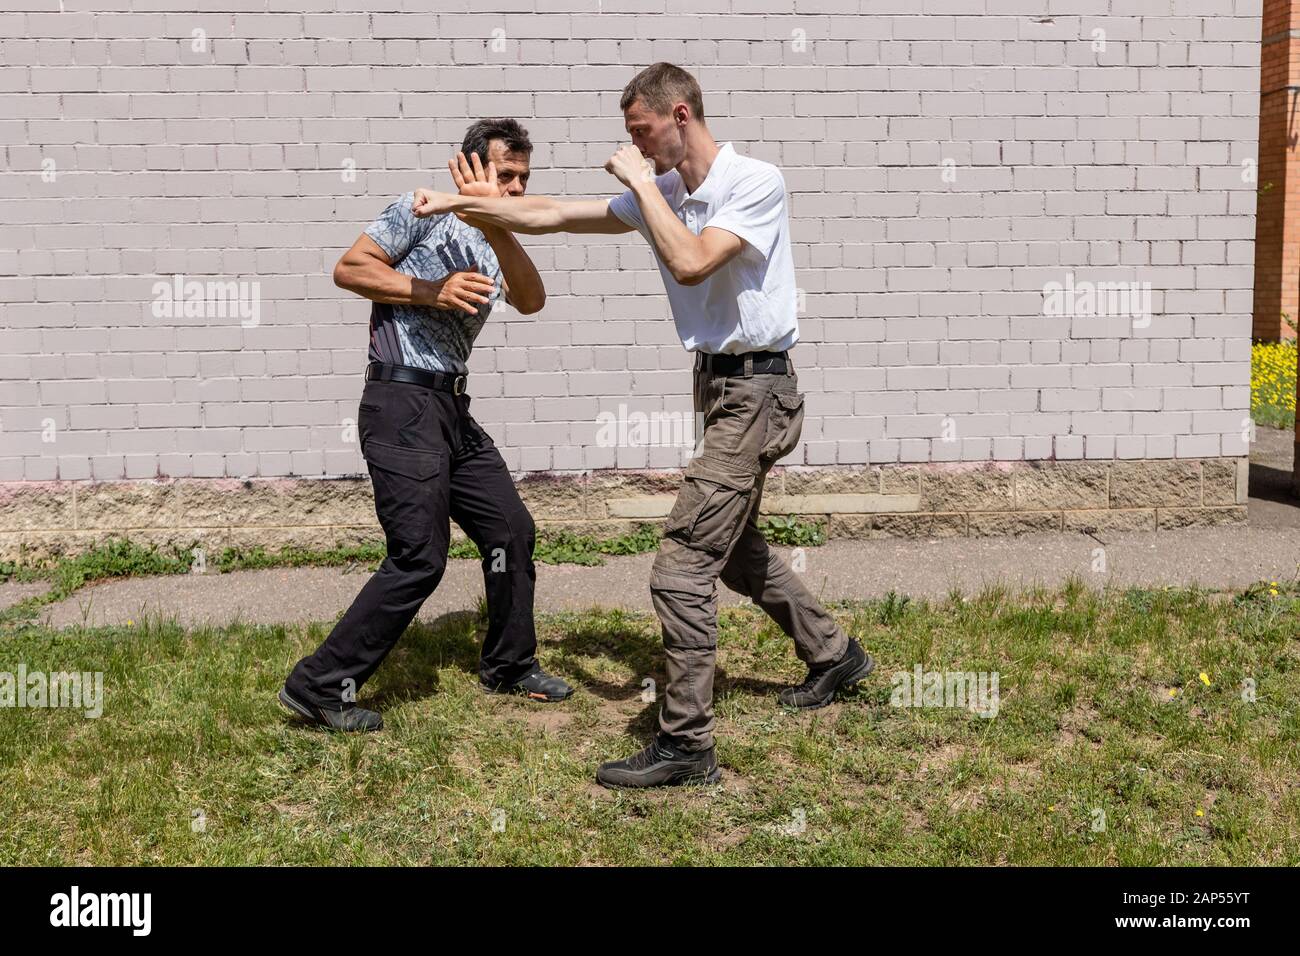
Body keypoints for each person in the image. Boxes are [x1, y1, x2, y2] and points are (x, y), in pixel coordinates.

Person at [411, 65, 874, 786]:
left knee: (684, 564)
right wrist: (467, 204)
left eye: (640, 131)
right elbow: (557, 214)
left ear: (679, 114)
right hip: (721, 387)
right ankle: (834, 655)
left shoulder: (754, 181)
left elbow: (690, 262)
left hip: (759, 392)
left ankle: (687, 745)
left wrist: (639, 184)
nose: (632, 144)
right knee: (739, 550)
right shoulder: (662, 192)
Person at [279, 118, 573, 733]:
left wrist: (495, 218)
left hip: (451, 410)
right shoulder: (419, 209)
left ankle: (509, 665)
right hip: (400, 400)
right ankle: (320, 685)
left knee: (510, 529)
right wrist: (429, 291)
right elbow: (350, 268)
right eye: (504, 175)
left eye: (524, 178)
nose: (516, 188)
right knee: (420, 557)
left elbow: (532, 298)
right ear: (470, 167)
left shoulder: (497, 230)